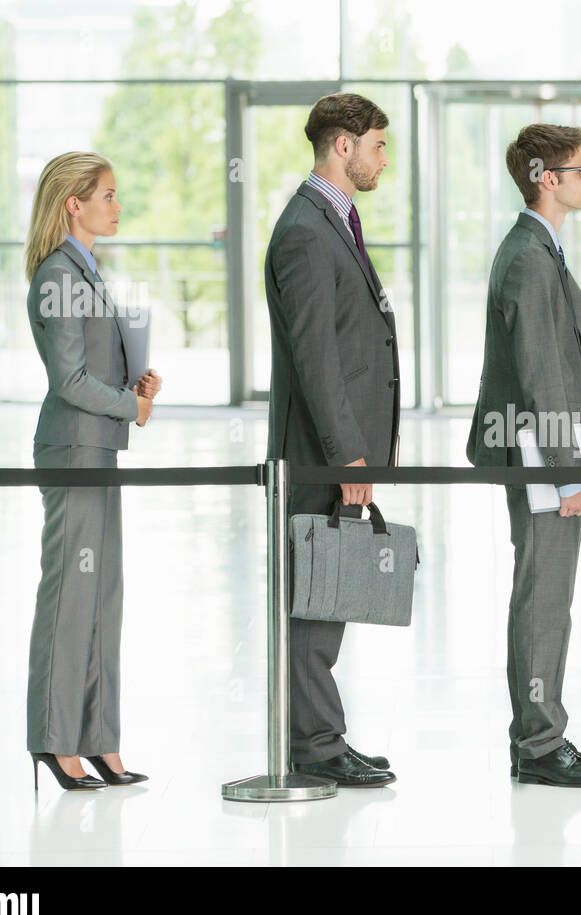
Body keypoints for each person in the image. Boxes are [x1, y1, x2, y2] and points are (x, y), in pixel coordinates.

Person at [466, 124, 581, 787]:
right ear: (547, 179)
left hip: (550, 443)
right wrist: (566, 477)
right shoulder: (530, 258)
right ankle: (537, 745)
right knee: (542, 598)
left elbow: (557, 359)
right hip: (540, 456)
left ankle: (545, 732)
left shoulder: (542, 250)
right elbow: (535, 375)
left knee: (551, 598)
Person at [264, 92, 399, 787]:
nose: (385, 159)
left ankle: (322, 736)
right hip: (320, 455)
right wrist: (348, 452)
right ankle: (315, 747)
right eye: (378, 144)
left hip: (338, 451)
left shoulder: (331, 222)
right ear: (341, 145)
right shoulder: (304, 231)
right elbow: (316, 356)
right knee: (314, 603)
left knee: (330, 597)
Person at [24, 151, 161, 791]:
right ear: (73, 203)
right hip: (74, 450)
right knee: (71, 597)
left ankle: (101, 739)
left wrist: (136, 385)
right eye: (108, 194)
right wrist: (127, 404)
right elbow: (69, 380)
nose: (117, 204)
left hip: (98, 448)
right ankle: (54, 742)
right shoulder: (58, 273)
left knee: (105, 595)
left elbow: (94, 369)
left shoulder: (87, 270)